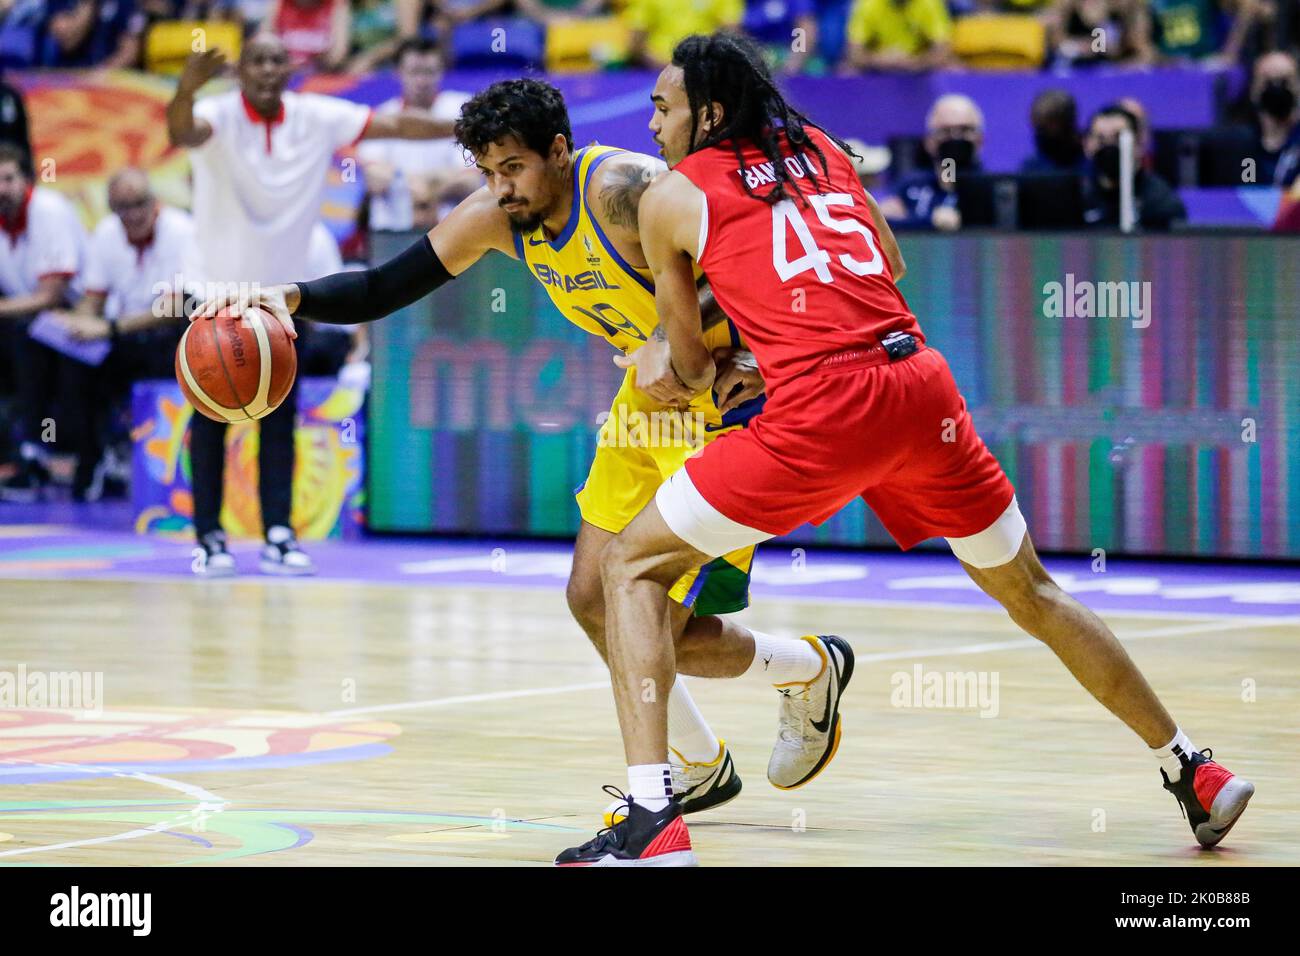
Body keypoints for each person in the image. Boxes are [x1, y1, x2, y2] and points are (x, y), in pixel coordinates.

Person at [570, 30, 1253, 865]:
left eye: (663, 107)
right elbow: (887, 265)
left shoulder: (672, 195)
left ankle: (653, 819)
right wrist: (772, 353)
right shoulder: (820, 149)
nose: (652, 125)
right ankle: (1193, 768)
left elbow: (688, 367)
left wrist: (664, 363)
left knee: (629, 567)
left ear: (709, 113)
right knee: (1034, 591)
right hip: (920, 386)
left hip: (825, 410)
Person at [193, 77, 865, 826]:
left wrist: (692, 343)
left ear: (559, 150)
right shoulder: (497, 217)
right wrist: (284, 297)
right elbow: (383, 287)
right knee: (592, 600)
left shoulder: (625, 189)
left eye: (512, 168)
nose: (500, 188)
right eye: (487, 171)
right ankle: (702, 763)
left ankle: (807, 669)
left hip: (727, 405)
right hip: (649, 407)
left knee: (654, 623)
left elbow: (755, 262)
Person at [166, 34, 454, 576]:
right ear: (242, 70)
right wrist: (185, 89)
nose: (267, 69)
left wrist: (467, 128)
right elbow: (182, 130)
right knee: (210, 417)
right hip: (212, 291)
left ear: (290, 68)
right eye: (257, 60)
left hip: (280, 296)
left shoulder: (316, 116)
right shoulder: (216, 114)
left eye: (277, 59)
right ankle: (208, 537)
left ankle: (278, 534)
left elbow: (395, 125)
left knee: (279, 418)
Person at [50, 168, 193, 499]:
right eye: (123, 207)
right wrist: (75, 322)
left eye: (140, 204)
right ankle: (91, 460)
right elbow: (93, 300)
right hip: (122, 335)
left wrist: (109, 328)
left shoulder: (182, 231)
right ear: (112, 209)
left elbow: (176, 308)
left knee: (161, 346)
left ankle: (161, 464)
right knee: (72, 360)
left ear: (155, 202)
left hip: (170, 335)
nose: (133, 215)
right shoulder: (106, 234)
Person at [0, 143, 87, 501]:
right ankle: (18, 454)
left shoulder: (49, 211)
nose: (1, 189)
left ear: (27, 180)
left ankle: (37, 454)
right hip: (26, 320)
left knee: (26, 343)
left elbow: (51, 295)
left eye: (8, 179)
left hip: (80, 322)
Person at [357, 38, 472, 232]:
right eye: (414, 72)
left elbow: (469, 180)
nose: (422, 81)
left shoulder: (462, 112)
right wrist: (425, 185)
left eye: (429, 72)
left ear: (442, 71)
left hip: (452, 231)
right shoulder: (382, 116)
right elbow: (373, 179)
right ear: (398, 73)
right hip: (391, 231)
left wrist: (407, 184)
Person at [878, 93, 983, 231]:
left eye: (965, 130)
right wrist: (931, 221)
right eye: (946, 131)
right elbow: (881, 222)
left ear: (980, 139)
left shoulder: (992, 190)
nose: (956, 137)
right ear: (929, 141)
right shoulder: (910, 187)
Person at [1081, 103, 1186, 230]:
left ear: (1139, 144)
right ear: (1086, 145)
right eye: (1101, 139)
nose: (1109, 147)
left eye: (1118, 138)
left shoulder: (1161, 202)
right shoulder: (1076, 197)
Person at [840, 0, 952, 72]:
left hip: (920, 69)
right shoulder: (868, 4)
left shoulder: (930, 3)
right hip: (876, 68)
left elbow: (943, 50)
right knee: (847, 71)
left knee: (953, 68)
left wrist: (915, 62)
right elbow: (854, 52)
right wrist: (879, 60)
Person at [1247, 51, 1300, 188]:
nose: (1276, 88)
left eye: (1285, 82)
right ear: (1254, 89)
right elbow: (1245, 186)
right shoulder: (1241, 144)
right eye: (1268, 82)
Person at [1020, 88, 1086, 174]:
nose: (1041, 133)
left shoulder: (1089, 165)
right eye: (1039, 127)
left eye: (1046, 127)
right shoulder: (1030, 168)